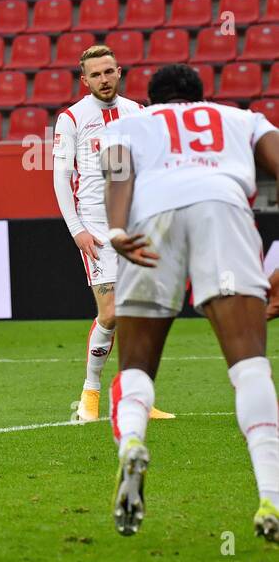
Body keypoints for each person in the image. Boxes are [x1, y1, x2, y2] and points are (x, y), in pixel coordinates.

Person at [100, 63, 279, 542]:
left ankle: (133, 440)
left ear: (152, 101)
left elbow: (118, 173)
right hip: (223, 208)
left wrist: (116, 230)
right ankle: (270, 497)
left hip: (149, 216)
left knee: (136, 366)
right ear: (202, 97)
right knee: (250, 368)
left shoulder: (127, 123)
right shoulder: (242, 118)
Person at [53, 44, 173, 423]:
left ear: (119, 72)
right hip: (96, 229)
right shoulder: (71, 118)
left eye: (109, 72)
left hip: (134, 224)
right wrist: (77, 230)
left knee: (137, 312)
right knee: (110, 311)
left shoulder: (137, 113)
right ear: (84, 79)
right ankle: (90, 391)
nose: (103, 80)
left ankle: (135, 397)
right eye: (95, 74)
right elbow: (60, 177)